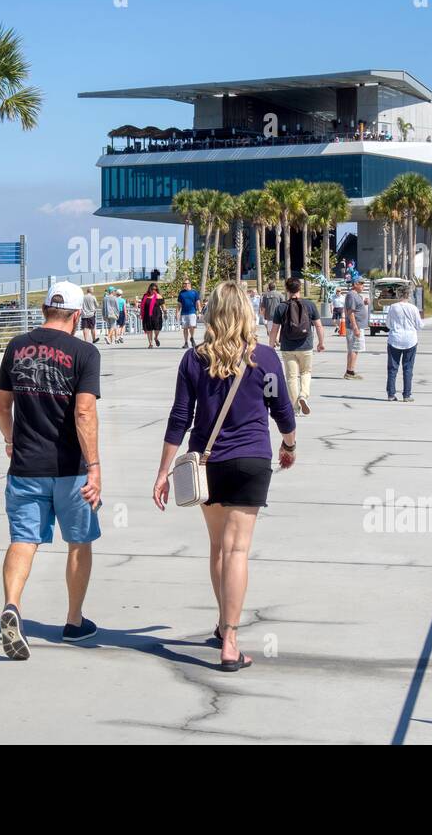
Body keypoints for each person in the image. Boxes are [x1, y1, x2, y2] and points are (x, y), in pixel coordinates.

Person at [152, 281, 296, 672]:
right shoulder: (265, 358)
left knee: (218, 547)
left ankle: (222, 626)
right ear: (248, 312)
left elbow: (180, 418)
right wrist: (290, 446)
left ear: (212, 312)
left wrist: (163, 471)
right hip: (251, 460)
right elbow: (283, 410)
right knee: (237, 551)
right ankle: (230, 640)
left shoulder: (194, 360)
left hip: (207, 461)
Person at [0, 281, 103, 659]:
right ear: (76, 316)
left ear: (43, 311)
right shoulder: (85, 352)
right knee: (79, 541)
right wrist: (95, 467)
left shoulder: (16, 346)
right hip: (71, 469)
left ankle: (12, 606)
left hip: (25, 466)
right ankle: (73, 622)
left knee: (24, 540)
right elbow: (84, 411)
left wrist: (11, 441)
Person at [269, 277, 325, 415]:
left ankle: (295, 408)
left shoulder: (281, 307)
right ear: (299, 288)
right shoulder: (310, 305)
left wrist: (270, 347)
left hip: (288, 347)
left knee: (292, 377)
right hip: (306, 346)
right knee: (306, 372)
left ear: (287, 290)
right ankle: (303, 395)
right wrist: (321, 343)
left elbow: (274, 330)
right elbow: (318, 325)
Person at [385, 293, 423, 402]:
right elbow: (420, 325)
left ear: (398, 296)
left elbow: (388, 324)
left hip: (395, 339)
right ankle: (407, 395)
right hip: (410, 340)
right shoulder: (413, 308)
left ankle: (391, 394)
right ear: (408, 297)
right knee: (408, 368)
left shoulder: (393, 307)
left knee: (392, 368)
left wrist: (395, 328)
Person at [342, 276, 368, 380]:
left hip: (357, 326)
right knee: (354, 348)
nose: (363, 286)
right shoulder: (351, 295)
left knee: (354, 349)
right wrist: (355, 327)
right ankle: (350, 372)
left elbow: (356, 308)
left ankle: (350, 370)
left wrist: (364, 303)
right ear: (355, 284)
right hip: (355, 327)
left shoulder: (357, 295)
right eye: (361, 283)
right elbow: (350, 312)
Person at [177, 278, 201, 348]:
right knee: (185, 328)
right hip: (184, 313)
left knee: (192, 326)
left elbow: (198, 302)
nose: (185, 285)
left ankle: (192, 337)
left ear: (190, 284)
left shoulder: (194, 292)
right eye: (184, 284)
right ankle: (186, 342)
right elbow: (179, 304)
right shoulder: (181, 293)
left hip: (192, 312)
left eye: (187, 283)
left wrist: (199, 312)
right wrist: (177, 313)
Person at [140, 282, 165, 348]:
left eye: (155, 289)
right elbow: (142, 306)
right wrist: (140, 314)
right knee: (149, 329)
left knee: (157, 329)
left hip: (157, 315)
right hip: (147, 315)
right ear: (149, 289)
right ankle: (150, 344)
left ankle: (156, 337)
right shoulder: (145, 296)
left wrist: (165, 313)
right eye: (152, 289)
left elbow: (163, 306)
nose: (153, 290)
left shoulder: (159, 296)